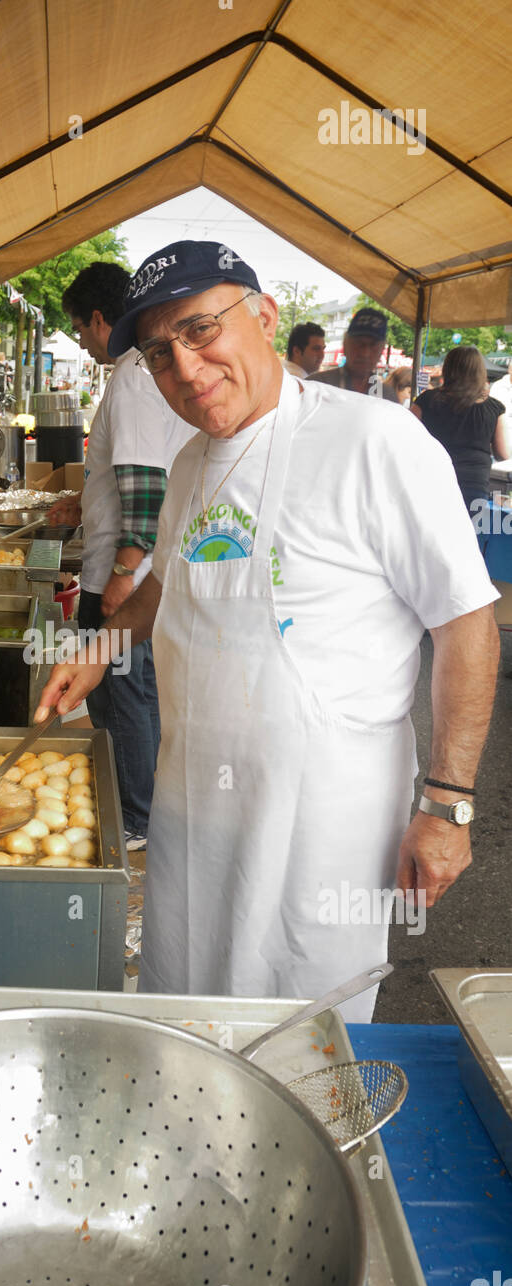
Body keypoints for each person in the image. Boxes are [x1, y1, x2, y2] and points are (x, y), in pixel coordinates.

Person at [35, 240, 499, 1022]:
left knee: (302, 1033)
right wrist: (104, 645)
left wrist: (449, 804)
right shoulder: (190, 463)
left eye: (200, 329)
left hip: (321, 830)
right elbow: (171, 583)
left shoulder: (374, 442)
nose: (184, 366)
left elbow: (466, 622)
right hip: (196, 811)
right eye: (158, 351)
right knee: (189, 1012)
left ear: (265, 315)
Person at [46, 261, 196, 853]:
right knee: (139, 688)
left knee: (122, 689)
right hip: (142, 563)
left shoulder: (134, 373)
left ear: (102, 319)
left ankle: (137, 817)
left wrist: (124, 573)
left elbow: (145, 480)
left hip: (129, 570)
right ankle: (148, 805)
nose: (83, 342)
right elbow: (128, 471)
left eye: (82, 329)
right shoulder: (142, 373)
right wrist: (80, 501)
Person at [412, 346, 507, 514]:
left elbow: (406, 438)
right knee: (469, 537)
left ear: (448, 369)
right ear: (480, 372)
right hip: (474, 485)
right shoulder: (494, 408)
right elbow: (502, 453)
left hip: (432, 480)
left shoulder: (426, 401)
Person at [311, 308, 398, 400]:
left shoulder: (387, 396)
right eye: (358, 343)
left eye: (373, 345)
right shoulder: (316, 386)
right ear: (345, 344)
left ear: (382, 349)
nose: (365, 353)